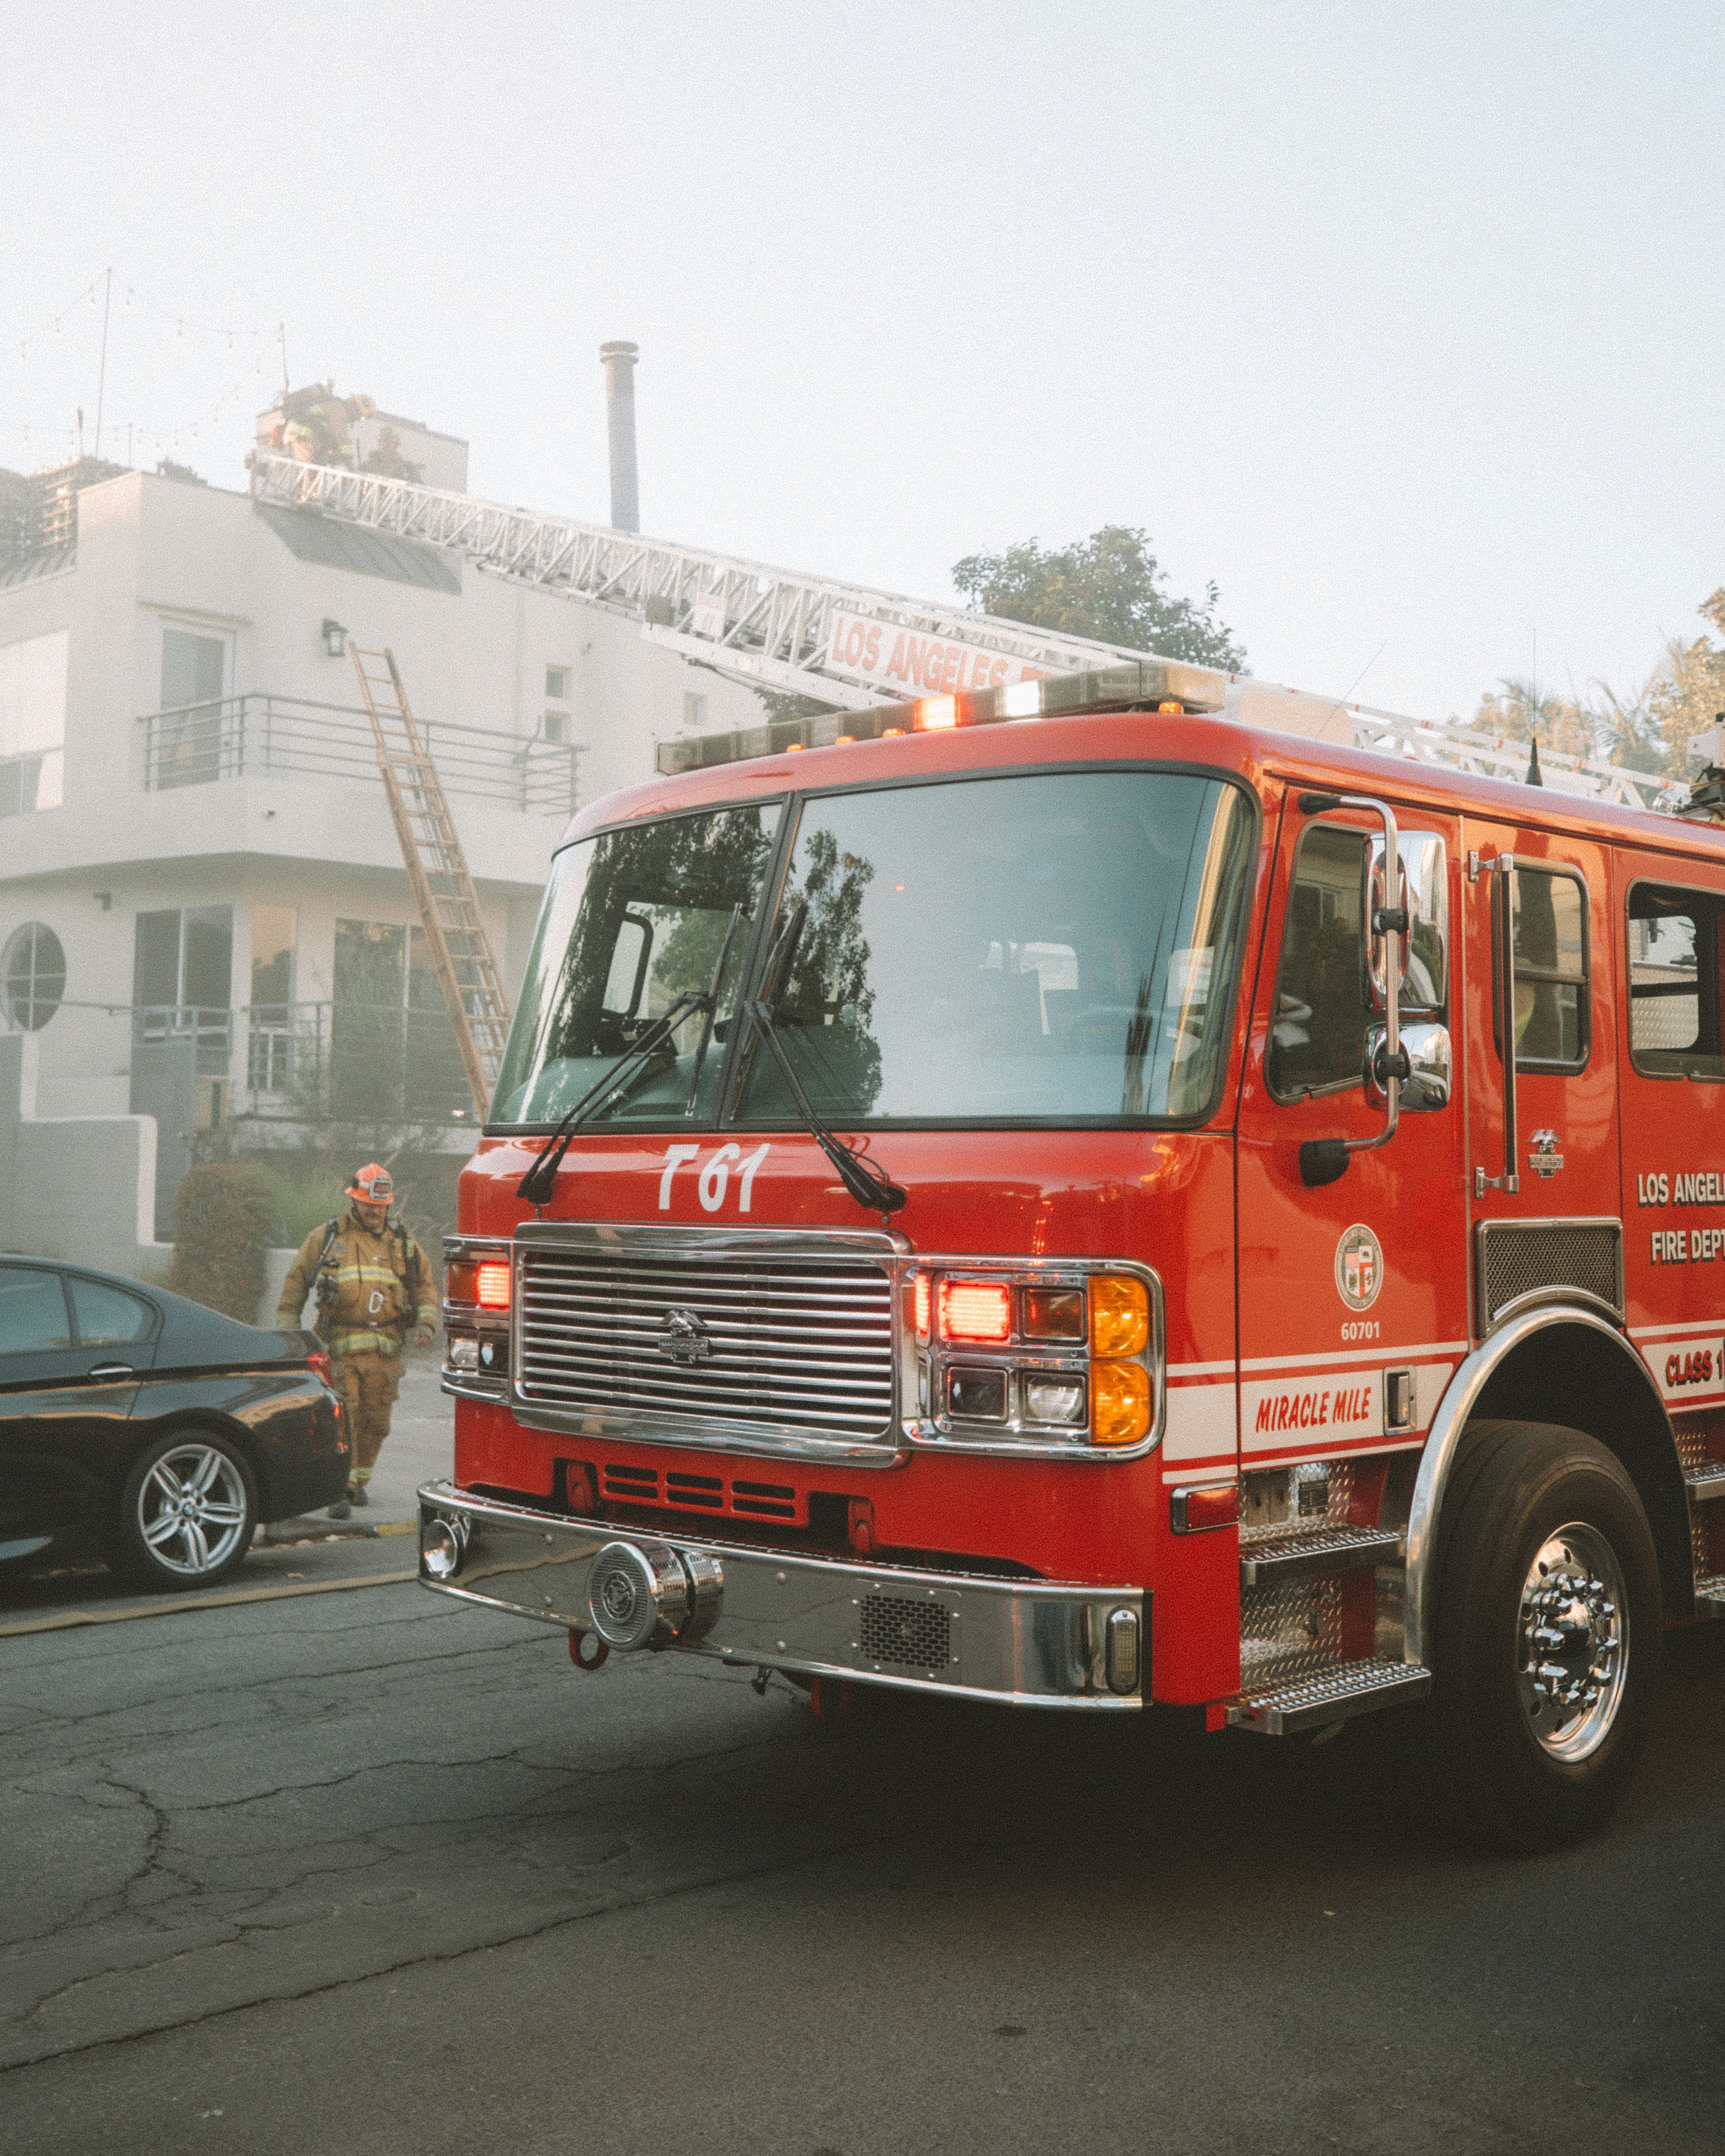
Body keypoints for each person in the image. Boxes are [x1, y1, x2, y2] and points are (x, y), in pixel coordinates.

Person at [276, 1165, 436, 1518]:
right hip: (341, 1349)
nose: (374, 1212)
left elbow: (424, 1283)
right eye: (368, 1205)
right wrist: (289, 1336)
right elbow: (295, 1282)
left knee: (376, 1423)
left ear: (388, 1206)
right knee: (341, 1421)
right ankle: (337, 1487)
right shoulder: (328, 1237)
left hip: (386, 1352)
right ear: (354, 1200)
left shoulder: (403, 1244)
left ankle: (357, 1483)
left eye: (380, 1207)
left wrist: (426, 1320)